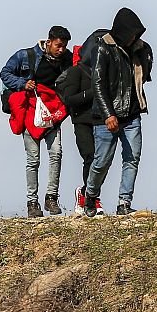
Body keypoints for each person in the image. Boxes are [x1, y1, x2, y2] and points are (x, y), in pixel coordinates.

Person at [80, 8, 154, 217]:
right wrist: (108, 114)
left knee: (132, 157)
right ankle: (91, 197)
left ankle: (124, 202)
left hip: (131, 114)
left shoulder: (139, 48)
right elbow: (98, 84)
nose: (134, 37)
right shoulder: (102, 48)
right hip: (106, 117)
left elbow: (145, 74)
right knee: (102, 161)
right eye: (131, 33)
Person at [1, 27, 74, 217]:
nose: (61, 50)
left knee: (56, 154)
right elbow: (5, 73)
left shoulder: (67, 58)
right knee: (33, 160)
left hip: (53, 114)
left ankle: (51, 198)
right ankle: (32, 203)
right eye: (58, 45)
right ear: (48, 42)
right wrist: (22, 84)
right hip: (30, 114)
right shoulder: (26, 56)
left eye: (64, 46)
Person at [55, 45, 101, 218]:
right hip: (82, 120)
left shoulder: (102, 71)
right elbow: (70, 99)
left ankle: (87, 193)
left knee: (101, 161)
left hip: (101, 121)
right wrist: (93, 92)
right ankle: (90, 198)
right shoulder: (75, 72)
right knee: (90, 157)